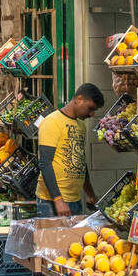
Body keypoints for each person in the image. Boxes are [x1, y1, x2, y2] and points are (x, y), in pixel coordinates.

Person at [35, 83, 105, 218]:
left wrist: (90, 194)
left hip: (74, 200)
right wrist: (58, 200)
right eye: (90, 108)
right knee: (52, 239)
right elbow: (45, 163)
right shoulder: (52, 122)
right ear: (78, 99)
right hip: (51, 202)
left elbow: (80, 162)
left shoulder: (81, 126)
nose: (91, 114)